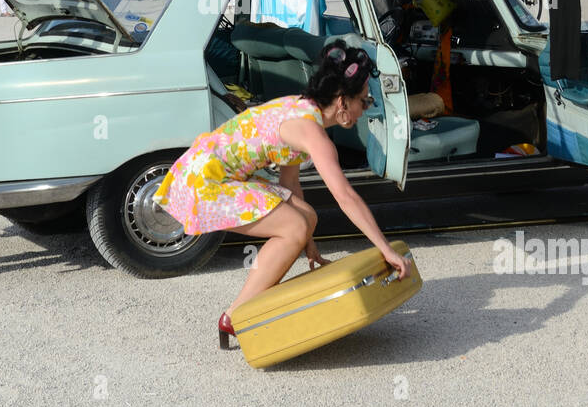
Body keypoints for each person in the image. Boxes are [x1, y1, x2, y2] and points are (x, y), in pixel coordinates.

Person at [153, 42, 411, 348]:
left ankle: (248, 308)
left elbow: (290, 184)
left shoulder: (302, 108)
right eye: (364, 102)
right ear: (342, 102)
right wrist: (386, 249)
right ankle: (236, 316)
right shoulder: (314, 134)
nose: (365, 110)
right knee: (294, 227)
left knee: (305, 219)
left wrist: (308, 241)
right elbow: (345, 197)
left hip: (204, 170)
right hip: (204, 183)